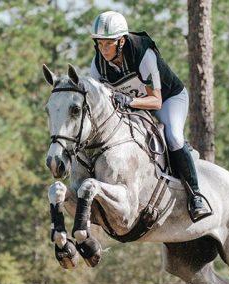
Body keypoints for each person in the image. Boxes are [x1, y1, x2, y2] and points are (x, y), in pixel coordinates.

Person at [89, 11, 212, 222]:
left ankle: (196, 195)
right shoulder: (97, 65)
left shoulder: (142, 54)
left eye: (108, 43)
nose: (103, 49)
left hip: (168, 99)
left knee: (173, 137)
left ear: (121, 41)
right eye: (100, 43)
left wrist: (129, 101)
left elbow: (155, 101)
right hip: (135, 106)